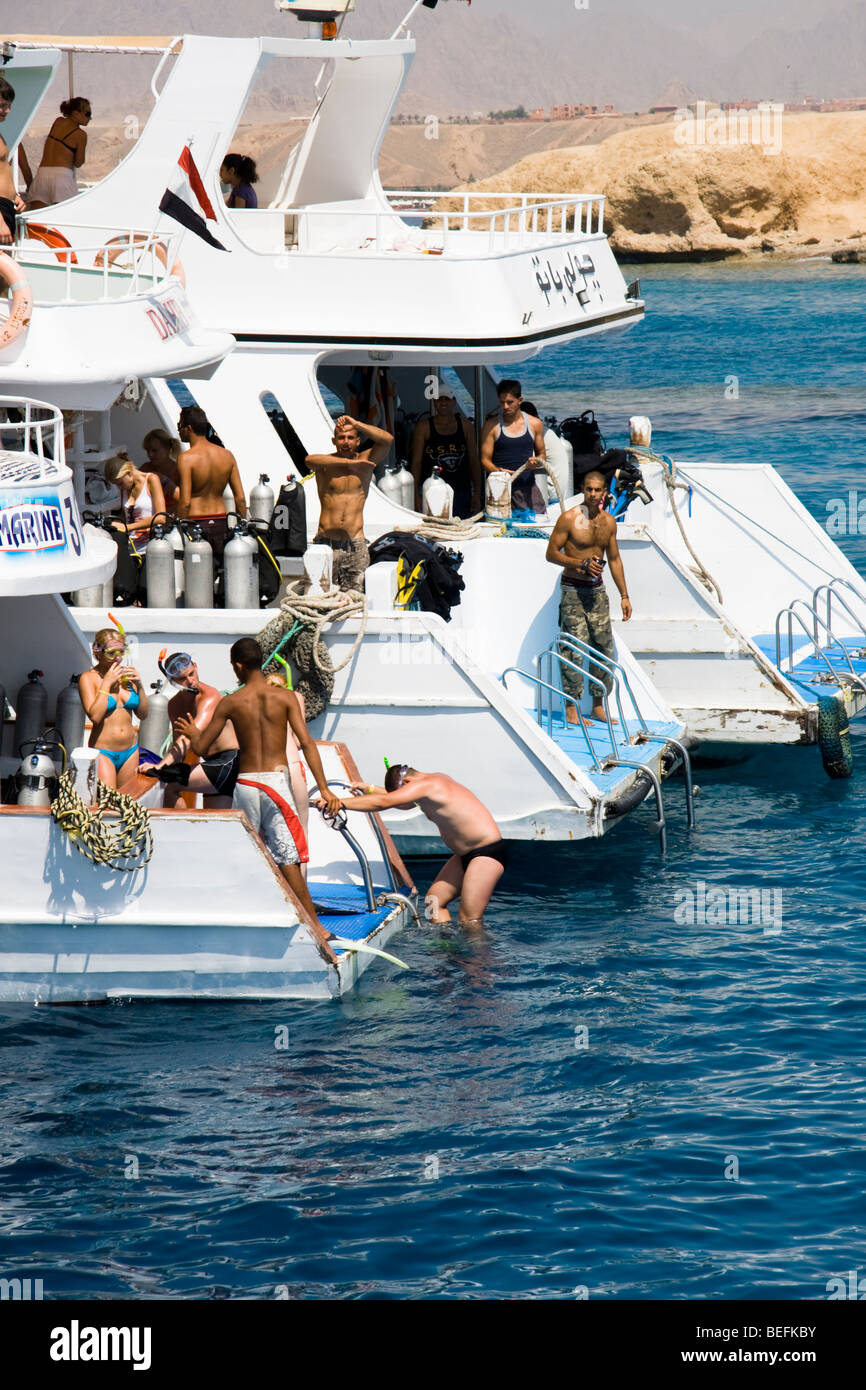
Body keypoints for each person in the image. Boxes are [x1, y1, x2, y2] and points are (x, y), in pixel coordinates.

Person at [176, 638, 343, 965]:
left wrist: (192, 734)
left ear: (237, 665)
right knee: (288, 858)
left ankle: (244, 921)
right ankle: (316, 929)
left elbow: (207, 749)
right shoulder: (285, 697)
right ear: (260, 662)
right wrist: (325, 790)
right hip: (275, 785)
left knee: (250, 853)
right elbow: (307, 745)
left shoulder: (231, 702)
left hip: (246, 783)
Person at [334, 764, 507, 928]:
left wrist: (339, 803)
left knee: (470, 919)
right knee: (434, 900)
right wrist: (370, 789)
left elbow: (385, 802)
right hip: (466, 855)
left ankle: (479, 959)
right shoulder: (432, 783)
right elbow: (403, 803)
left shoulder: (427, 785)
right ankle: (444, 946)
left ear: (408, 783)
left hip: (486, 853)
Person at [545, 469, 632, 724]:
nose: (593, 494)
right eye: (588, 489)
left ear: (605, 492)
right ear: (583, 490)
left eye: (597, 490)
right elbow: (551, 553)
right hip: (572, 590)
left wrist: (624, 595)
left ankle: (597, 704)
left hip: (597, 592)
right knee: (574, 649)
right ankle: (571, 708)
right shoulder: (569, 518)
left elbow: (614, 559)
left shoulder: (608, 522)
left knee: (603, 647)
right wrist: (579, 563)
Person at [304, 414, 394, 591]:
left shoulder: (366, 460)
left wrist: (357, 423)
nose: (346, 442)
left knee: (356, 600)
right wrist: (347, 463)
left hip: (355, 544)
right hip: (325, 543)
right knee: (318, 598)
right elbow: (309, 460)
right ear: (334, 441)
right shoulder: (326, 464)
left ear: (358, 441)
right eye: (341, 438)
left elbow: (387, 440)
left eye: (350, 437)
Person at [142, 650, 241, 808]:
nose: (190, 681)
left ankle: (180, 828)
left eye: (191, 674)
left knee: (170, 785)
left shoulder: (210, 697)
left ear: (195, 666)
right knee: (213, 824)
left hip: (229, 762)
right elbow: (178, 747)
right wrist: (167, 767)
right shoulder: (174, 705)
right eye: (182, 679)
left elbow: (188, 738)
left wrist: (160, 767)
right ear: (172, 681)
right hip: (212, 764)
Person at [78, 627, 149, 791]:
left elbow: (143, 714)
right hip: (104, 752)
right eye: (111, 653)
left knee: (125, 801)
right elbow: (95, 716)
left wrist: (140, 685)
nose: (117, 659)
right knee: (108, 800)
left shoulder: (126, 679)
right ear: (98, 652)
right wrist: (107, 683)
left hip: (130, 751)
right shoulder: (88, 678)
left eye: (121, 652)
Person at [176, 405, 247, 564]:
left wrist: (178, 528)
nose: (179, 431)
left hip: (195, 524)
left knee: (197, 577)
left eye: (180, 426)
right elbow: (240, 498)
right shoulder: (227, 455)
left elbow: (185, 502)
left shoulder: (186, 458)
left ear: (189, 428)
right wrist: (242, 526)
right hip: (221, 524)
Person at [410, 380, 482, 517]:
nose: (443, 403)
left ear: (454, 402)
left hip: (462, 490)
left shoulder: (466, 426)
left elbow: (474, 460)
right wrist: (415, 496)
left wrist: (477, 494)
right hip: (432, 489)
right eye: (439, 399)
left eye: (447, 399)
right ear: (434, 403)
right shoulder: (424, 427)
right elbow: (416, 463)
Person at [480, 379, 547, 515]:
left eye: (509, 402)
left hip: (529, 489)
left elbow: (542, 455)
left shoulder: (535, 424)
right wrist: (498, 471)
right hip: (501, 491)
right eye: (501, 402)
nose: (505, 407)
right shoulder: (490, 426)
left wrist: (536, 462)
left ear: (520, 400)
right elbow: (484, 460)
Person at [26, 97, 91, 210]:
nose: (90, 118)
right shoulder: (81, 135)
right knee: (66, 217)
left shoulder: (58, 122)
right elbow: (78, 162)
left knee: (37, 219)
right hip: (62, 176)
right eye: (88, 113)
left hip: (42, 174)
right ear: (76, 113)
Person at [104, 455, 166, 543]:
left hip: (151, 546)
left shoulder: (151, 479)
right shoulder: (124, 488)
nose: (120, 488)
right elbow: (125, 517)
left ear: (129, 473)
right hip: (130, 545)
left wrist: (128, 527)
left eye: (120, 483)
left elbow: (161, 518)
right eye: (117, 485)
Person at [0, 76, 26, 245]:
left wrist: (14, 195)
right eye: (2, 105)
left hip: (7, 206)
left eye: (8, 105)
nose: (7, 110)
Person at [142, 428, 182, 507]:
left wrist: (165, 481)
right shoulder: (146, 468)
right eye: (147, 450)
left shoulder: (178, 471)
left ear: (167, 449)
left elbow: (185, 500)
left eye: (154, 450)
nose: (150, 455)